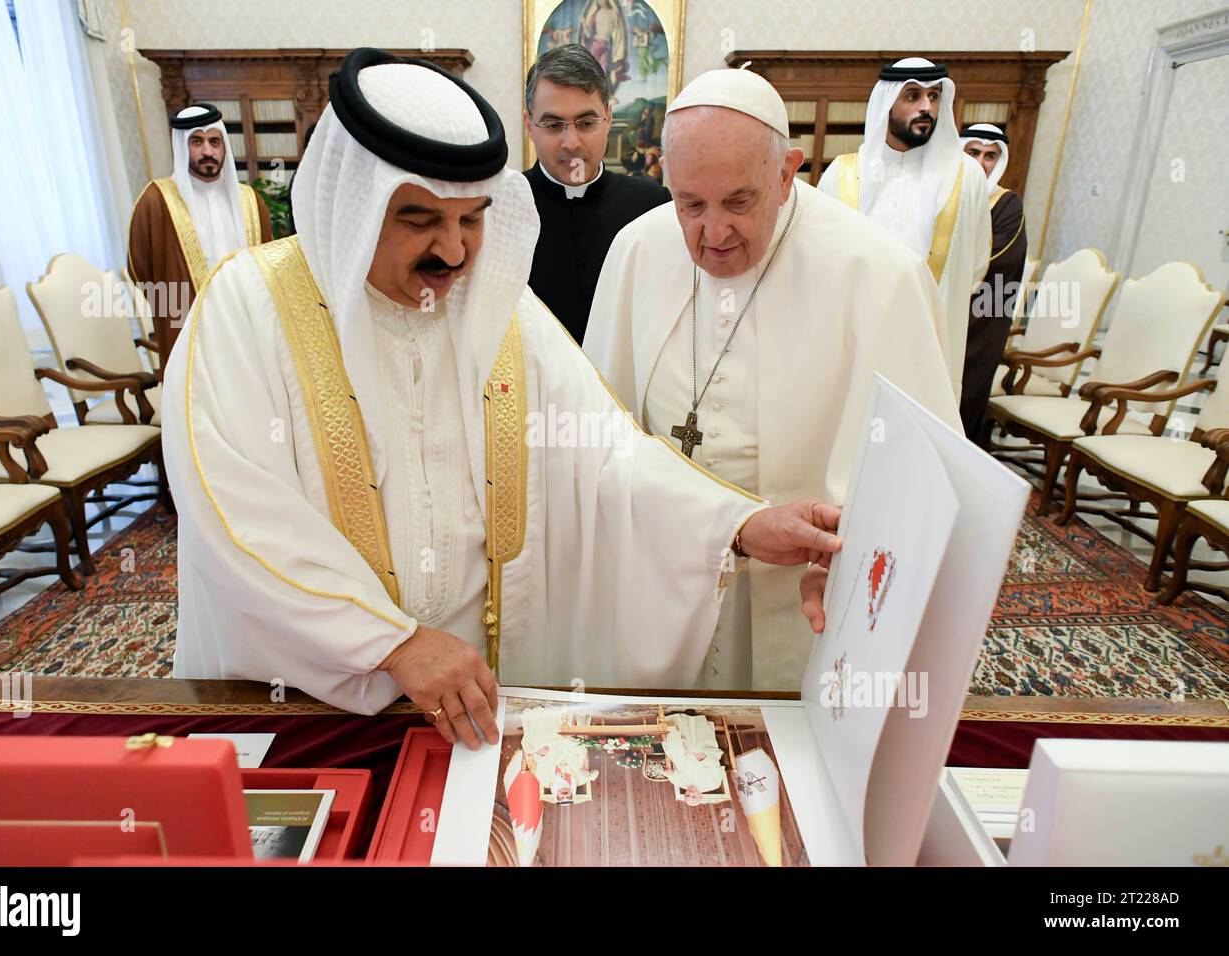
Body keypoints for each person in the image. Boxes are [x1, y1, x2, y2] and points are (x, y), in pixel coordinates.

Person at [161, 49, 842, 743]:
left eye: (472, 219)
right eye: (420, 219)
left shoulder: (495, 308)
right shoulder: (247, 310)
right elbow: (236, 509)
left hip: (471, 696)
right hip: (312, 701)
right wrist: (390, 642)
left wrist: (740, 524)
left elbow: (606, 455)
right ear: (353, 206)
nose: (454, 253)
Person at [585, 67, 961, 689]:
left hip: (801, 595)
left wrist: (859, 560)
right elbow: (597, 439)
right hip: (665, 573)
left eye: (739, 201)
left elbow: (921, 477)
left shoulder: (878, 274)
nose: (713, 233)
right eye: (690, 204)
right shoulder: (637, 251)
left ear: (787, 172)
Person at [817, 58, 991, 396]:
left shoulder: (965, 177)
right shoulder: (843, 174)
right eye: (912, 96)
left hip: (927, 341)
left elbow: (976, 265)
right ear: (887, 102)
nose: (927, 107)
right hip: (856, 339)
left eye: (934, 96)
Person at [523, 44, 670, 341]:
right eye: (553, 125)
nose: (571, 142)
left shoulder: (653, 206)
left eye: (586, 123)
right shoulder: (499, 207)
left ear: (609, 119)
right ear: (529, 125)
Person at [127, 103, 271, 372]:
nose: (208, 151)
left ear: (224, 146)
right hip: (186, 325)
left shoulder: (250, 201)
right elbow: (140, 269)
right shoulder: (156, 200)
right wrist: (173, 307)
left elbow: (268, 266)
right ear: (182, 145)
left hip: (246, 324)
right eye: (197, 141)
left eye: (214, 141)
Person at [959, 123, 1028, 442]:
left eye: (990, 156)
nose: (980, 161)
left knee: (965, 393)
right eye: (973, 152)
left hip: (982, 316)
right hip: (939, 303)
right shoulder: (947, 195)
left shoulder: (1006, 203)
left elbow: (1000, 256)